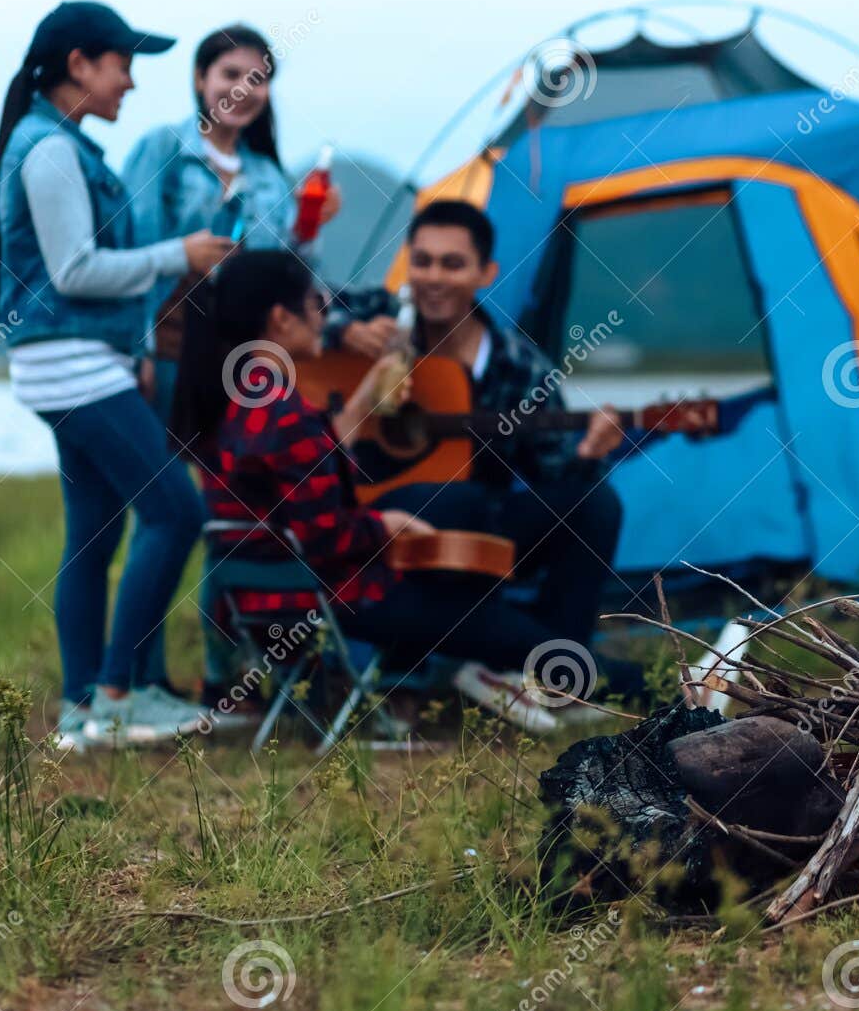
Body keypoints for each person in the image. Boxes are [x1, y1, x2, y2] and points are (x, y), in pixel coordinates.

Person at [171, 249, 640, 728]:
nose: (324, 314)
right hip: (351, 598)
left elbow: (298, 508)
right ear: (280, 318)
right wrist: (385, 526)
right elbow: (328, 541)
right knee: (535, 638)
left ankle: (523, 679)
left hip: (278, 600)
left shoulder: (231, 402)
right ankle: (654, 688)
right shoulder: (284, 414)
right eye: (316, 302)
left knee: (469, 525)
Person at [0, 1, 231, 747]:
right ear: (79, 66)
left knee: (94, 536)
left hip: (78, 364)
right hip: (70, 365)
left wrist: (132, 354)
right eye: (122, 65)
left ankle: (82, 710)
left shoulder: (64, 143)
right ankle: (121, 696)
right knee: (177, 513)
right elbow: (75, 269)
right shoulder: (50, 149)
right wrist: (178, 254)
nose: (129, 82)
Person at [323, 200, 643, 700]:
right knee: (454, 499)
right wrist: (343, 331)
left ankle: (551, 680)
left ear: (486, 272)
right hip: (375, 521)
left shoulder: (519, 367)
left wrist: (589, 452)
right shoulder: (381, 317)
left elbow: (552, 472)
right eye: (422, 261)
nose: (433, 277)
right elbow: (283, 308)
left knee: (593, 502)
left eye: (452, 264)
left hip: (478, 530)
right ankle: (565, 674)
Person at [124, 22, 340, 701]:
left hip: (235, 366)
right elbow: (128, 252)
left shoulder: (272, 173)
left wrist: (308, 230)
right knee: (162, 514)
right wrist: (134, 351)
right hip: (165, 348)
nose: (243, 90)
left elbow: (281, 279)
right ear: (199, 79)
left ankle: (229, 671)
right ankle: (139, 672)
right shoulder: (162, 150)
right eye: (230, 75)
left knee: (228, 515)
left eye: (259, 78)